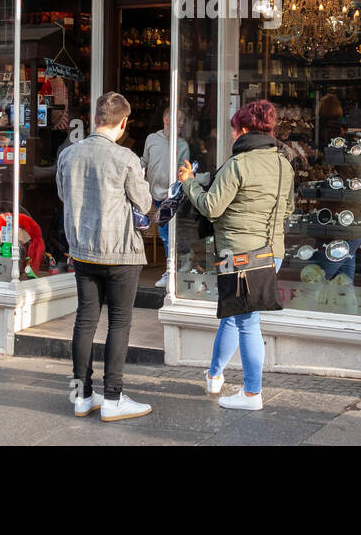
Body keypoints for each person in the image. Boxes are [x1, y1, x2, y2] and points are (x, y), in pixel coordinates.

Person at [177, 100, 293, 411]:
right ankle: (214, 376)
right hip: (271, 251)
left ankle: (252, 394)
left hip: (238, 255)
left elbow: (211, 207)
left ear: (242, 130)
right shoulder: (284, 164)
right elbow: (288, 209)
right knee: (234, 315)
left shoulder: (238, 164)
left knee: (246, 321)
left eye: (233, 129)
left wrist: (188, 185)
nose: (231, 135)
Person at [55, 91, 154, 422]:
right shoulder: (126, 158)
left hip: (83, 249)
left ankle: (81, 395)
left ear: (95, 117)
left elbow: (62, 194)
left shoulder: (68, 155)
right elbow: (144, 204)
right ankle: (113, 397)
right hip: (121, 252)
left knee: (85, 321)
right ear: (123, 122)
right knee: (120, 322)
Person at [141, 106, 191, 288]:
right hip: (156, 193)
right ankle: (185, 257)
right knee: (169, 233)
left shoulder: (182, 144)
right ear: (166, 119)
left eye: (183, 120)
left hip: (173, 194)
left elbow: (182, 170)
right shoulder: (152, 139)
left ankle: (171, 272)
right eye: (179, 118)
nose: (182, 122)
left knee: (167, 234)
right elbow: (144, 162)